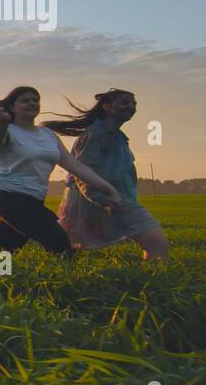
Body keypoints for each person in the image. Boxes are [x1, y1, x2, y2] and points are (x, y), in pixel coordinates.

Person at [0, 86, 121, 256]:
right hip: (6, 196)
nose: (32, 103)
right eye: (25, 101)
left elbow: (76, 166)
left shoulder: (47, 135)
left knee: (6, 248)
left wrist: (108, 189)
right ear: (12, 107)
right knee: (59, 242)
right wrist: (2, 121)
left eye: (35, 100)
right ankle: (69, 272)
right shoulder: (7, 129)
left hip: (33, 199)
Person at [42, 88, 169, 261]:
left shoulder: (117, 136)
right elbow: (82, 171)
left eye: (134, 104)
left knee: (155, 242)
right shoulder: (94, 135)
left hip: (117, 198)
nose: (131, 107)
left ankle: (152, 275)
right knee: (155, 241)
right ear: (106, 106)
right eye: (124, 102)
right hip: (102, 199)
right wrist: (102, 198)